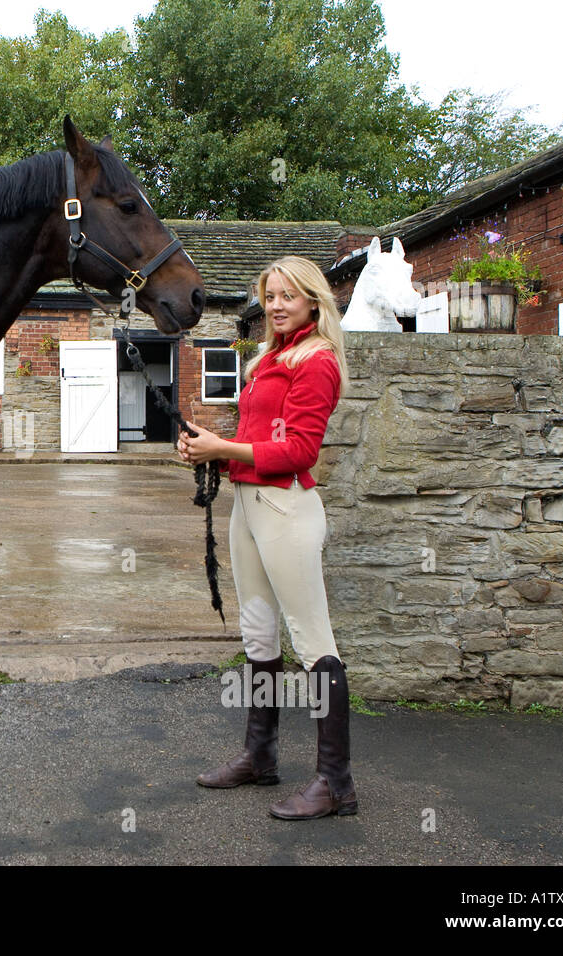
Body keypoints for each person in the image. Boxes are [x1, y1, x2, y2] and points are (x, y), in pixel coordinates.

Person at [177, 255, 356, 820]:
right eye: (270, 296)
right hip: (248, 505)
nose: (276, 305)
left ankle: (336, 784)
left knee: (313, 643)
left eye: (288, 296)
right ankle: (260, 755)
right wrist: (210, 445)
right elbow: (255, 437)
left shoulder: (318, 361)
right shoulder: (267, 358)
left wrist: (222, 450)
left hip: (287, 508)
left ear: (313, 301)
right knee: (258, 635)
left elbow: (301, 451)